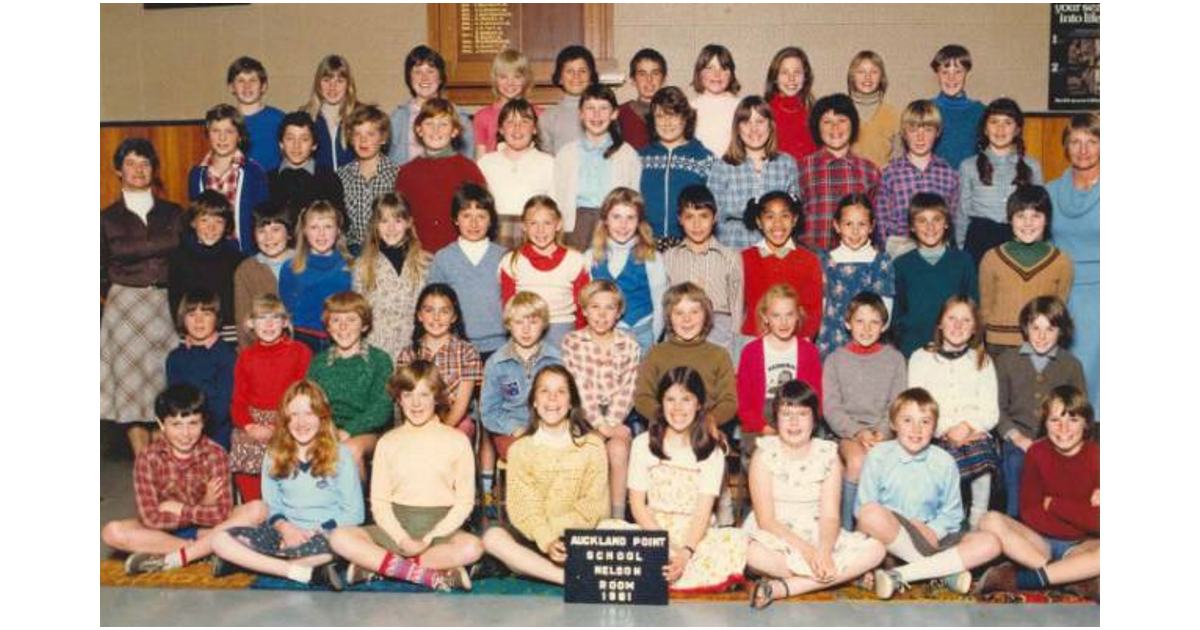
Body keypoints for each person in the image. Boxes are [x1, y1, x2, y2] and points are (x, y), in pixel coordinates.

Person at [328, 361, 481, 591]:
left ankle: (378, 567)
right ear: (399, 399)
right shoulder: (388, 442)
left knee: (473, 547)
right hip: (394, 528)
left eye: (424, 394)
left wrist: (429, 538)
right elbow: (379, 503)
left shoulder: (457, 440)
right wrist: (401, 540)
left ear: (437, 398)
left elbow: (464, 502)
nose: (416, 403)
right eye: (408, 395)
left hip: (441, 529)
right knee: (339, 537)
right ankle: (429, 573)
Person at [209, 379, 365, 590]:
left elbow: (355, 513)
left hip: (325, 535)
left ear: (322, 417)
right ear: (284, 419)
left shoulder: (342, 455)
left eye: (309, 414)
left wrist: (316, 531)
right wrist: (285, 528)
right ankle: (299, 571)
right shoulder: (273, 455)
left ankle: (256, 564)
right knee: (219, 540)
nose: (301, 422)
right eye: (294, 415)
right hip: (285, 533)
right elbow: (272, 505)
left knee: (341, 546)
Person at [744, 380, 886, 608]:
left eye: (802, 414)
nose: (793, 422)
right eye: (786, 414)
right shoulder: (763, 455)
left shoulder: (827, 454)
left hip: (818, 532)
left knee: (877, 550)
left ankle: (783, 587)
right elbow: (766, 520)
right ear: (775, 418)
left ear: (814, 419)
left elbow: (830, 515)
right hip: (777, 534)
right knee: (752, 554)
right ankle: (843, 576)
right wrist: (809, 553)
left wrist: (825, 551)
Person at [854, 388, 1002, 599]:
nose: (916, 429)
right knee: (869, 513)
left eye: (925, 422)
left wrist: (932, 530)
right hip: (892, 537)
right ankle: (941, 573)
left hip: (932, 535)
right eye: (907, 420)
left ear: (934, 428)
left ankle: (902, 574)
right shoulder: (878, 455)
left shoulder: (944, 461)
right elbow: (863, 509)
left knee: (991, 542)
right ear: (893, 424)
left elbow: (952, 514)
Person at [103, 384, 262, 575]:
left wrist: (181, 509)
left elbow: (221, 514)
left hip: (206, 527)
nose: (185, 434)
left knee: (259, 509)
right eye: (176, 425)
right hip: (164, 533)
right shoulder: (147, 457)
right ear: (161, 424)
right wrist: (203, 506)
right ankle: (203, 550)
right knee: (112, 532)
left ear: (204, 422)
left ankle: (176, 555)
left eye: (193, 423)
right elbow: (150, 518)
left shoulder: (215, 454)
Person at [480, 365, 609, 583]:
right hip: (536, 537)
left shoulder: (593, 447)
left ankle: (536, 569)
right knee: (493, 538)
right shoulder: (520, 450)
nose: (552, 399)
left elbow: (592, 505)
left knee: (615, 530)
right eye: (544, 391)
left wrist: (560, 536)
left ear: (571, 403)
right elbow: (523, 508)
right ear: (534, 402)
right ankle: (566, 578)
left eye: (561, 392)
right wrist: (547, 540)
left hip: (577, 536)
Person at [624, 367, 747, 592]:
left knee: (735, 543)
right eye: (670, 399)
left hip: (695, 536)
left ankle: (686, 574)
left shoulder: (712, 452)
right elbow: (637, 505)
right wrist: (663, 546)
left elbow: (702, 512)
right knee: (609, 533)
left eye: (686, 399)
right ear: (661, 403)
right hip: (652, 530)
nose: (678, 408)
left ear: (699, 404)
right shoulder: (642, 444)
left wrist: (684, 553)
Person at [101, 138, 185, 455]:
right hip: (124, 310)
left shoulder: (174, 213)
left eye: (145, 163)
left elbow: (184, 260)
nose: (138, 170)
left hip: (165, 306)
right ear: (118, 171)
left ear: (154, 170)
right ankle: (143, 468)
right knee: (132, 393)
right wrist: (114, 297)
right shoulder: (106, 219)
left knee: (164, 385)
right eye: (131, 164)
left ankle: (167, 466)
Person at [977, 386, 1099, 600]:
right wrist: (1081, 515)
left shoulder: (1098, 457)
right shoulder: (1037, 452)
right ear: (1045, 423)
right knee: (989, 520)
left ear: (1086, 423)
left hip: (1082, 544)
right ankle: (1066, 575)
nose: (1063, 428)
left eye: (1073, 419)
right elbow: (1030, 512)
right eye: (1055, 420)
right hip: (1039, 543)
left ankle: (1028, 579)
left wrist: (1054, 504)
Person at [907, 296, 999, 529]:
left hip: (973, 432)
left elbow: (990, 410)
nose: (958, 326)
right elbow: (917, 404)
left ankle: (978, 520)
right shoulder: (921, 358)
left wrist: (967, 427)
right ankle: (950, 521)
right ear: (939, 323)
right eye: (952, 318)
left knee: (981, 458)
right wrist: (946, 429)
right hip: (935, 433)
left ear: (974, 328)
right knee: (943, 463)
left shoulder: (982, 360)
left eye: (966, 320)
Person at [994, 297, 1086, 517]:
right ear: (1025, 328)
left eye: (1050, 329)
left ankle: (1052, 524)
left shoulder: (1071, 365)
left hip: (1058, 440)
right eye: (1035, 328)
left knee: (1060, 475)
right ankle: (1015, 522)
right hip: (1018, 439)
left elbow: (1080, 412)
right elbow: (997, 409)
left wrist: (1063, 440)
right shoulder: (1007, 361)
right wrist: (1017, 438)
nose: (1041, 336)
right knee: (1017, 465)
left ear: (1061, 331)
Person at [823, 291, 907, 530]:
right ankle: (848, 528)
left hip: (885, 432)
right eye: (860, 321)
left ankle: (885, 527)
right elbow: (831, 408)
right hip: (847, 433)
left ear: (883, 326)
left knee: (885, 461)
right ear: (848, 323)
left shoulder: (895, 359)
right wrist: (858, 433)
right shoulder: (835, 360)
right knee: (858, 461)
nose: (867, 329)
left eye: (874, 322)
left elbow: (897, 403)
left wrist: (881, 433)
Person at [562, 280, 639, 518]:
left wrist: (612, 424)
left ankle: (616, 519)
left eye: (609, 308)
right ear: (584, 310)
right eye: (595, 307)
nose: (602, 315)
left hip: (618, 418)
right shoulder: (572, 342)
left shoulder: (629, 344)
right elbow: (579, 387)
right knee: (592, 448)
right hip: (583, 418)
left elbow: (629, 389)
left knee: (617, 450)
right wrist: (601, 426)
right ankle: (590, 515)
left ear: (618, 312)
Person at [230, 294, 312, 502]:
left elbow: (302, 394)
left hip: (289, 416)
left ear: (285, 322)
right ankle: (255, 506)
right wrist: (250, 426)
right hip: (254, 420)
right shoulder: (246, 357)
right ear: (250, 324)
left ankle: (287, 504)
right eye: (261, 318)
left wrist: (281, 424)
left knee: (289, 447)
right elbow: (239, 400)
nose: (268, 324)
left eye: (275, 318)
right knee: (241, 443)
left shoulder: (299, 352)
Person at [306, 291, 394, 479]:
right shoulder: (319, 362)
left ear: (365, 325)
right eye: (336, 320)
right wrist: (328, 432)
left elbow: (382, 409)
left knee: (350, 450)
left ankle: (356, 507)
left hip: (368, 433)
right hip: (326, 432)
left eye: (352, 320)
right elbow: (311, 404)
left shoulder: (380, 360)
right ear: (328, 327)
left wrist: (348, 431)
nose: (343, 327)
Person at [1046, 113, 1099, 417]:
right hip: (1065, 295)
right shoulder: (1051, 191)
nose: (1083, 149)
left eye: (1092, 141)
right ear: (1065, 146)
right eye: (1076, 141)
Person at [634, 283, 737, 436]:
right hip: (665, 428)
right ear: (669, 317)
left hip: (705, 431)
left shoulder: (719, 355)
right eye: (679, 313)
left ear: (706, 315)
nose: (687, 319)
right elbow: (642, 397)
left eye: (694, 312)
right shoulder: (656, 353)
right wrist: (666, 419)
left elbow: (729, 402)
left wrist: (708, 421)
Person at [978, 185, 1073, 351]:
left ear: (1047, 219)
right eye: (1020, 216)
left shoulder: (1061, 261)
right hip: (999, 346)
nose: (1028, 223)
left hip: (1042, 345)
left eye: (1036, 216)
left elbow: (1059, 309)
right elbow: (985, 308)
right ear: (1010, 219)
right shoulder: (991, 258)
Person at [736, 284, 822, 466]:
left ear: (798, 315)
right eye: (776, 315)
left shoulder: (809, 351)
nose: (784, 322)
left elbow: (816, 400)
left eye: (789, 315)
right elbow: (744, 403)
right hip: (761, 421)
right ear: (765, 317)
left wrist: (798, 427)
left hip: (799, 418)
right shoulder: (751, 351)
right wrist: (765, 428)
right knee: (761, 462)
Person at [554, 84, 642, 250]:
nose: (596, 115)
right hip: (576, 226)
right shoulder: (566, 153)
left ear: (614, 113)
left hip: (613, 224)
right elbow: (558, 194)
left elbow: (634, 197)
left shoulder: (627, 153)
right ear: (580, 113)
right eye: (590, 108)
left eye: (603, 108)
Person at [707, 96, 801, 250]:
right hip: (734, 250)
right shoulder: (722, 166)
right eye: (746, 122)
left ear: (770, 126)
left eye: (760, 121)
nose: (754, 129)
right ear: (737, 128)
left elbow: (794, 214)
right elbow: (713, 218)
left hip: (776, 251)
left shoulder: (786, 163)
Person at [394, 98, 488, 252]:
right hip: (417, 256)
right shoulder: (406, 173)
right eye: (429, 124)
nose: (435, 130)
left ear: (454, 131)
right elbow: (400, 219)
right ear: (419, 130)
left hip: (458, 254)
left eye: (443, 124)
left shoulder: (469, 170)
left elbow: (479, 218)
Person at [891, 193, 978, 358]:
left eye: (937, 219)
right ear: (911, 227)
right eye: (922, 221)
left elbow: (973, 306)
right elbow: (897, 314)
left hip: (955, 348)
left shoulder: (963, 261)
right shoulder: (901, 265)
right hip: (913, 349)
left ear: (946, 223)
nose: (930, 227)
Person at [427, 184, 508, 359]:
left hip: (500, 347)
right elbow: (433, 304)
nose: (474, 223)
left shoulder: (504, 257)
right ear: (456, 219)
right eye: (466, 216)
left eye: (481, 216)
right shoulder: (443, 258)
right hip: (456, 348)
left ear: (491, 220)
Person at [481, 292, 564, 462]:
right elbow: (489, 411)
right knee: (525, 454)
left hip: (550, 426)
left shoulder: (556, 360)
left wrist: (550, 427)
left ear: (544, 325)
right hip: (511, 430)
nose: (526, 329)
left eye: (533, 322)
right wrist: (515, 429)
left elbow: (566, 401)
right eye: (519, 322)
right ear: (509, 325)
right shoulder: (496, 363)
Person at [498, 196, 590, 350]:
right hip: (525, 329)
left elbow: (583, 307)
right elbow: (509, 306)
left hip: (563, 331)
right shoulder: (511, 262)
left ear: (558, 224)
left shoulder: (575, 261)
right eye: (533, 223)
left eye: (547, 223)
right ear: (524, 227)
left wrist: (579, 341)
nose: (540, 230)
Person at [662, 185, 743, 358]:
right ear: (680, 219)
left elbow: (737, 308)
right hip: (681, 329)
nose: (697, 224)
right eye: (689, 217)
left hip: (719, 332)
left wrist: (733, 350)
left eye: (704, 216)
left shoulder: (730, 257)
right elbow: (666, 306)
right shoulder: (669, 257)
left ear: (715, 218)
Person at [958, 98, 1043, 261]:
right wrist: (962, 253)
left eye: (1008, 122)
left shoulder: (1032, 166)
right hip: (979, 241)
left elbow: (1040, 212)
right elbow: (962, 213)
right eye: (994, 122)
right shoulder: (968, 166)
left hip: (1019, 241)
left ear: (1017, 129)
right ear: (985, 128)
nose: (1000, 128)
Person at [584, 187, 667, 351]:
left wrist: (653, 341)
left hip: (642, 333)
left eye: (630, 218)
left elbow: (661, 304)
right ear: (606, 219)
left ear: (639, 222)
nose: (623, 225)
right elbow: (587, 304)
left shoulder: (652, 257)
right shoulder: (591, 256)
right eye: (616, 217)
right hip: (603, 335)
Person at [875, 100, 960, 259]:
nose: (920, 137)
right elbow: (881, 219)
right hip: (900, 247)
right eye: (913, 130)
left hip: (938, 245)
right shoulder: (890, 173)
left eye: (928, 130)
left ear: (937, 132)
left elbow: (954, 217)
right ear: (904, 134)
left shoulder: (949, 174)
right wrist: (886, 248)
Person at [350, 192, 432, 359]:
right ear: (375, 225)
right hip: (375, 352)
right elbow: (357, 313)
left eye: (398, 220)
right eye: (384, 221)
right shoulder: (362, 265)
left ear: (408, 223)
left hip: (415, 352)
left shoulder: (426, 262)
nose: (391, 228)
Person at [395, 284, 482, 438]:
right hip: (417, 419)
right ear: (419, 315)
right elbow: (405, 400)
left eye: (444, 311)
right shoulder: (408, 354)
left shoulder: (467, 352)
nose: (436, 318)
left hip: (454, 423)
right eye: (429, 310)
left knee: (464, 427)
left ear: (454, 317)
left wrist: (439, 433)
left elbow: (461, 404)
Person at [796, 94, 881, 252]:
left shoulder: (870, 171)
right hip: (812, 259)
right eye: (827, 122)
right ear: (817, 127)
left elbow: (877, 222)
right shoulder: (802, 168)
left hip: (856, 260)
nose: (835, 128)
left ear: (853, 125)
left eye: (842, 120)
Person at [740, 191, 823, 347]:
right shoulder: (744, 259)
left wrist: (801, 342)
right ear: (759, 221)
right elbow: (739, 309)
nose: (777, 224)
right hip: (753, 343)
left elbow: (813, 311)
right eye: (770, 217)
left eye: (784, 216)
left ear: (794, 220)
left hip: (794, 344)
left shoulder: (809, 260)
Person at [816, 194, 894, 358]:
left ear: (872, 226)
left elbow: (885, 315)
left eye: (862, 224)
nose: (855, 231)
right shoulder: (826, 261)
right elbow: (821, 309)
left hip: (869, 342)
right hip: (832, 344)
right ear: (837, 226)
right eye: (848, 224)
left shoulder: (881, 262)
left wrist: (867, 332)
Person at [188, 104, 271, 253]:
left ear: (239, 136)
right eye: (215, 131)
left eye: (229, 131)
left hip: (243, 255)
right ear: (208, 134)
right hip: (209, 255)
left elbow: (262, 220)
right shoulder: (197, 175)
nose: (222, 138)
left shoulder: (254, 173)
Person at [168, 191, 245, 346]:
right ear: (193, 223)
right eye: (204, 220)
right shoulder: (179, 259)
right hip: (193, 336)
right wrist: (185, 331)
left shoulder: (238, 260)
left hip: (230, 337)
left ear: (227, 225)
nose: (211, 228)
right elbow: (175, 303)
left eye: (219, 221)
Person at [476, 99, 556, 248]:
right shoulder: (486, 163)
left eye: (525, 122)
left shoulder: (549, 163)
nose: (517, 129)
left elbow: (554, 208)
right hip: (495, 234)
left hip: (535, 234)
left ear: (534, 129)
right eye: (510, 122)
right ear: (500, 129)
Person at [638, 86, 714, 244]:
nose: (666, 122)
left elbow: (714, 208)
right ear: (653, 120)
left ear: (686, 118)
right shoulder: (639, 157)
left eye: (673, 115)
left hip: (689, 244)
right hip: (646, 243)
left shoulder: (704, 158)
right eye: (660, 116)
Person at [166, 291, 238, 451]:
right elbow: (172, 402)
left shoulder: (226, 355)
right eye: (191, 314)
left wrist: (198, 431)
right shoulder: (175, 357)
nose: (198, 320)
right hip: (183, 428)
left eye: (206, 314)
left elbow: (224, 404)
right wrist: (183, 431)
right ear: (182, 319)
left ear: (217, 318)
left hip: (216, 429)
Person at [278, 200, 353, 353]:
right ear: (304, 231)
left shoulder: (351, 266)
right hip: (303, 339)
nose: (321, 234)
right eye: (314, 227)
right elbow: (287, 307)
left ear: (338, 230)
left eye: (328, 227)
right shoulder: (290, 267)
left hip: (342, 338)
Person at [388, 45, 475, 165]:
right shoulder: (397, 118)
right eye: (417, 72)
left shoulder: (460, 117)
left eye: (430, 71)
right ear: (409, 78)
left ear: (440, 78)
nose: (424, 78)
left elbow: (467, 162)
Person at [336, 104, 401, 251]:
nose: (363, 140)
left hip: (386, 248)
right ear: (351, 139)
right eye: (357, 134)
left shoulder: (396, 174)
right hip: (351, 250)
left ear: (383, 138)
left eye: (370, 134)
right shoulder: (341, 176)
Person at [267, 111, 345, 227]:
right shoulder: (268, 179)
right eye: (290, 139)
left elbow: (340, 220)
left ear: (314, 145)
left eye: (304, 139)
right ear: (281, 144)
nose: (296, 146)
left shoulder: (328, 178)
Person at [232, 204, 294, 349]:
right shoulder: (246, 270)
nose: (269, 237)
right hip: (262, 350)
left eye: (276, 230)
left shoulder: (304, 263)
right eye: (261, 231)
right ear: (254, 236)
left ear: (289, 233)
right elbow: (243, 320)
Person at [928, 45, 985, 172]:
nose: (951, 78)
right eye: (945, 72)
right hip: (935, 183)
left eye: (958, 72)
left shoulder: (980, 111)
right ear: (937, 73)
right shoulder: (926, 110)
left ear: (967, 73)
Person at [226, 56, 286, 172]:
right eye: (241, 80)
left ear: (263, 86)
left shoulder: (279, 120)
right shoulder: (225, 122)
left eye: (253, 80)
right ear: (231, 87)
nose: (247, 86)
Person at [473, 49, 536, 158]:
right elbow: (480, 158)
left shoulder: (538, 114)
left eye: (517, 77)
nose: (510, 83)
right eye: (503, 77)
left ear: (526, 79)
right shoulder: (482, 116)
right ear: (495, 79)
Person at [302, 54, 358, 171]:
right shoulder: (305, 117)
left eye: (340, 81)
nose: (332, 87)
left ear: (348, 84)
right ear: (318, 83)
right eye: (326, 80)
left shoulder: (360, 115)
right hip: (318, 187)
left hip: (354, 188)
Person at [539, 45, 599, 155]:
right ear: (560, 78)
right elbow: (545, 159)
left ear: (591, 77)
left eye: (582, 71)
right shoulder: (548, 117)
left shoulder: (603, 113)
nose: (576, 76)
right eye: (570, 71)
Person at [847, 50, 901, 169]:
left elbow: (898, 158)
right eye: (861, 72)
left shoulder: (894, 114)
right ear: (852, 76)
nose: (867, 77)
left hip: (884, 183)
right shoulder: (841, 112)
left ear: (881, 77)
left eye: (874, 72)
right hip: (849, 183)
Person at [764, 46, 817, 164]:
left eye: (797, 72)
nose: (791, 78)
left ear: (805, 77)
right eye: (784, 72)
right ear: (775, 78)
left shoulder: (815, 114)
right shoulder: (764, 114)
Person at [690, 44, 741, 158]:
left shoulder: (739, 106)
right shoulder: (691, 107)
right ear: (699, 72)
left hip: (731, 169)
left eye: (723, 69)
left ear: (731, 74)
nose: (717, 74)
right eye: (710, 68)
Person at [618, 48, 667, 150]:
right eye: (642, 74)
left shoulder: (675, 113)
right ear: (633, 80)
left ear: (664, 79)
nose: (649, 79)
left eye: (655, 73)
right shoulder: (620, 114)